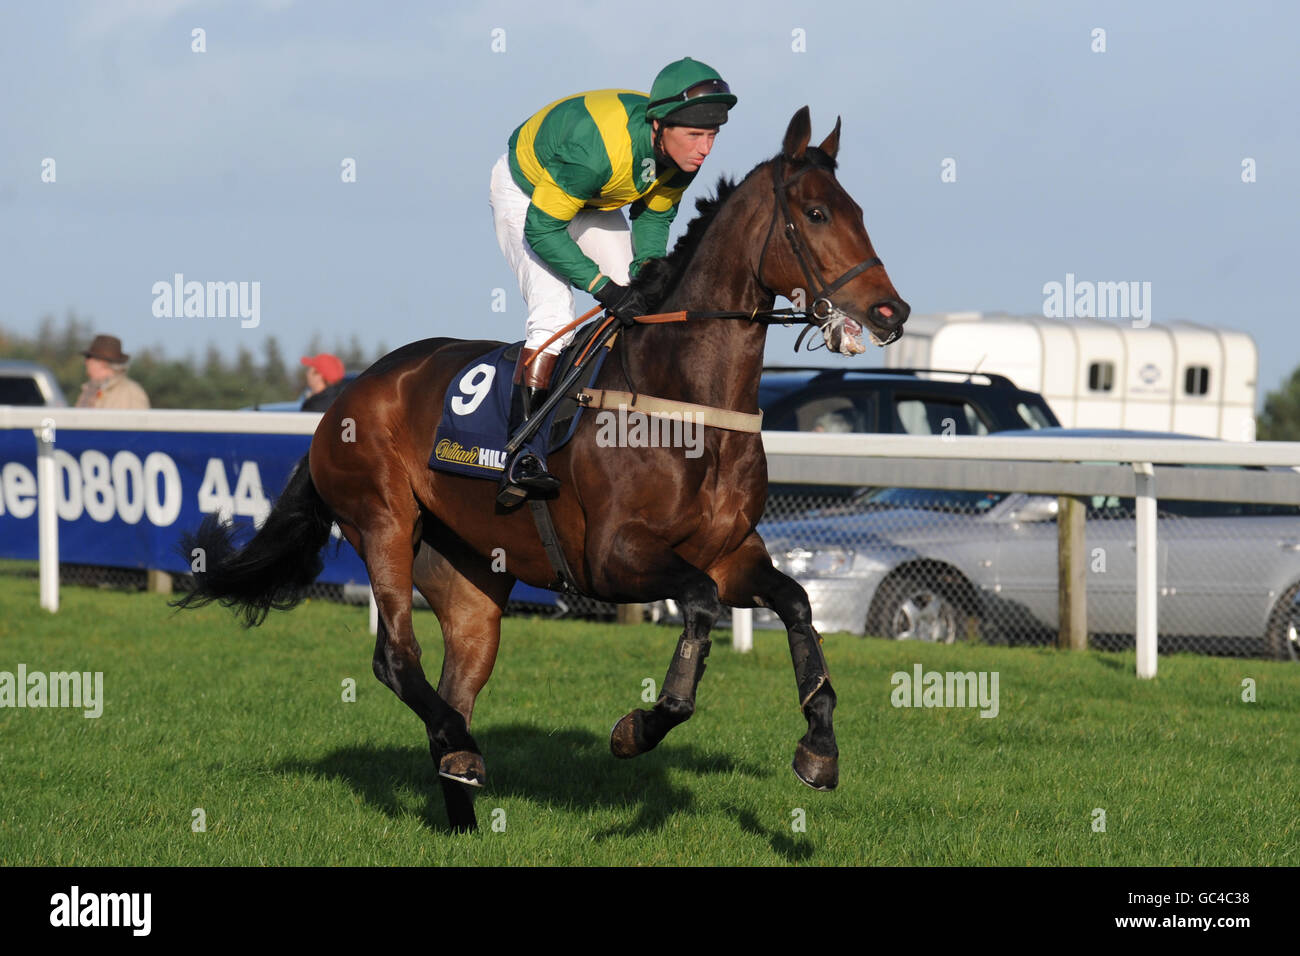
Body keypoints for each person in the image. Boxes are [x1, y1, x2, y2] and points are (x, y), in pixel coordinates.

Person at [489, 56, 737, 504]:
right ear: (659, 127)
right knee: (552, 310)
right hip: (530, 194)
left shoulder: (681, 156)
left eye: (712, 135)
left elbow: (653, 215)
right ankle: (520, 451)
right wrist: (603, 288)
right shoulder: (595, 153)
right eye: (696, 135)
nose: (705, 149)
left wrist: (647, 272)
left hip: (594, 196)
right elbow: (543, 231)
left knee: (647, 304)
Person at [74, 334, 150, 409]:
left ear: (102, 363)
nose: (86, 362)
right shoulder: (89, 390)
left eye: (89, 357)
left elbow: (138, 420)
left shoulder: (131, 393)